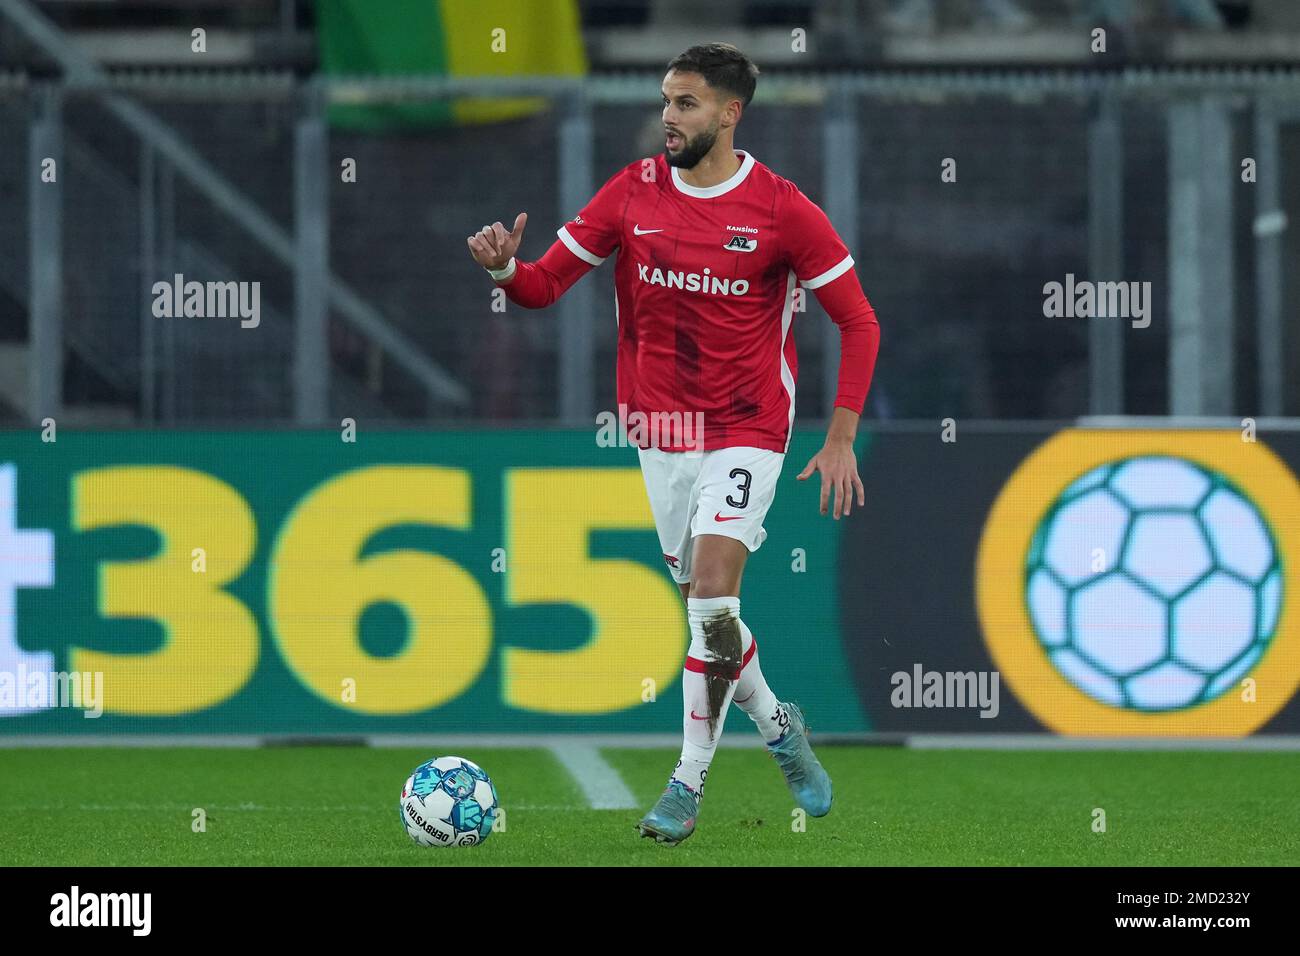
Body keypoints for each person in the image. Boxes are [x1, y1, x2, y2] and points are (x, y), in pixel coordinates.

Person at [467, 42, 881, 846]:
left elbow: (858, 320)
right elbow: (546, 285)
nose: (669, 116)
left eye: (686, 103)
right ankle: (776, 722)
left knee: (714, 597)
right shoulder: (630, 193)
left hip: (748, 425)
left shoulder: (781, 209)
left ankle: (685, 783)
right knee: (710, 621)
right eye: (666, 100)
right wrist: (505, 271)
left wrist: (840, 437)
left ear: (730, 113)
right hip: (660, 431)